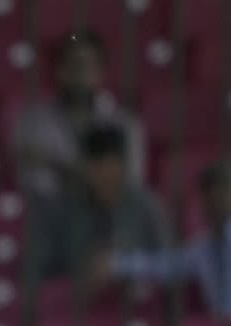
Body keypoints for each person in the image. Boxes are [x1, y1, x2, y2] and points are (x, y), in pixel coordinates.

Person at [21, 123, 170, 287]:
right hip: (74, 304)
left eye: (112, 167)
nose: (105, 177)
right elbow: (34, 272)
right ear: (84, 168)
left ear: (124, 167)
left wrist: (123, 265)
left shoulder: (145, 206)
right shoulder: (60, 209)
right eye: (97, 168)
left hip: (137, 304)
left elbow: (170, 264)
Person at [8, 29, 146, 204]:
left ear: (100, 72)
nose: (78, 74)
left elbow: (128, 186)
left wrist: (55, 163)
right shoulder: (32, 122)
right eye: (71, 65)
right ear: (58, 70)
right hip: (50, 222)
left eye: (86, 66)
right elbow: (36, 185)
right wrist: (96, 176)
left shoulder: (125, 125)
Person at [88, 158, 231, 318]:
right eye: (210, 202)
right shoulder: (203, 248)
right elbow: (165, 264)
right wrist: (116, 263)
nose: (215, 207)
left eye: (222, 199)